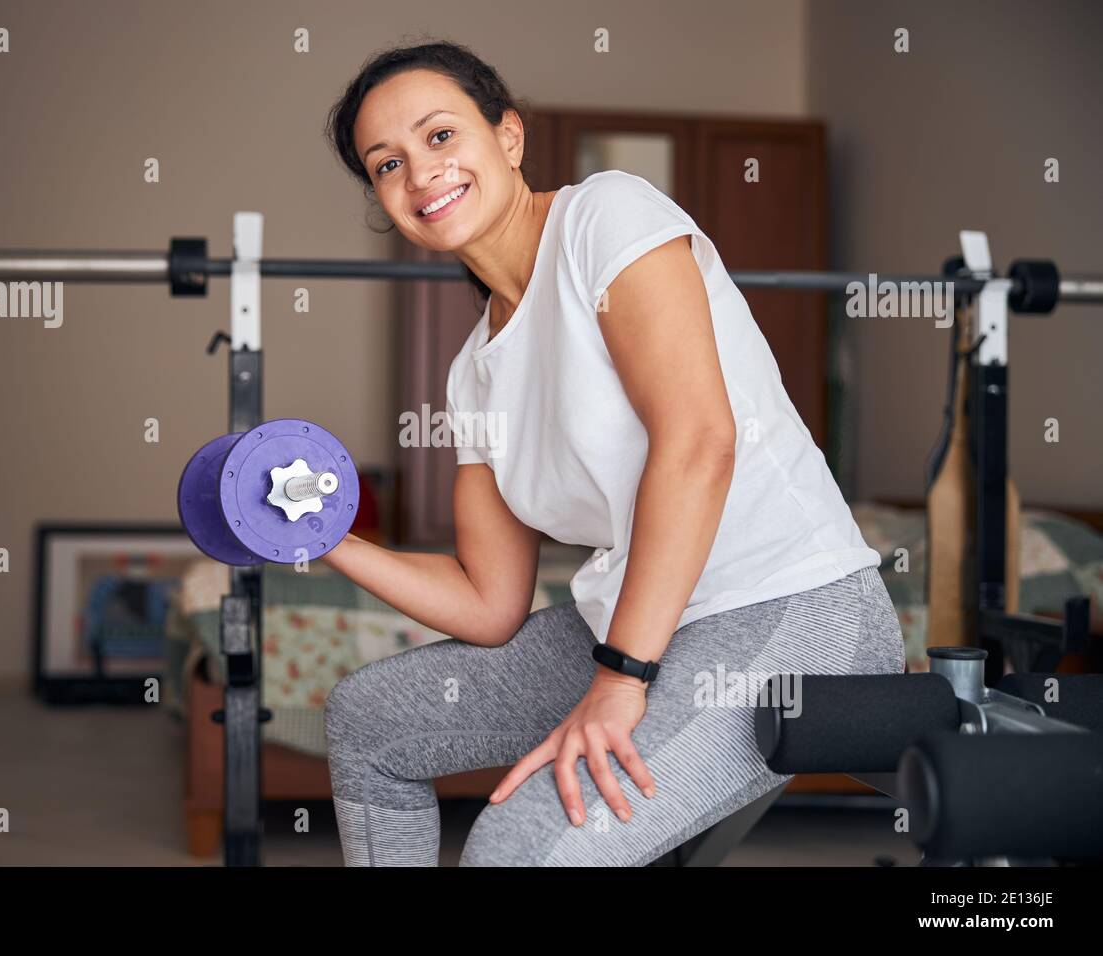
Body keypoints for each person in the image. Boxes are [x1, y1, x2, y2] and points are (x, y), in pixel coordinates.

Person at [317, 39, 903, 866]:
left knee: (516, 849)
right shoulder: (472, 376)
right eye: (387, 164)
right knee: (370, 718)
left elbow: (699, 441)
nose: (420, 175)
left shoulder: (606, 216)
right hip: (642, 629)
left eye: (440, 136)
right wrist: (325, 541)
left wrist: (620, 678)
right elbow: (490, 602)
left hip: (789, 608)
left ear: (508, 138)